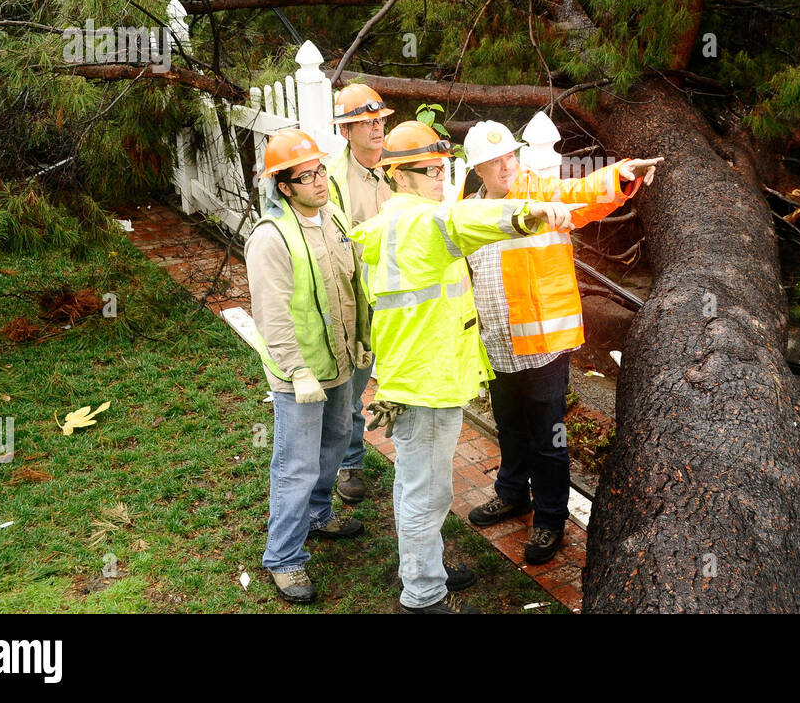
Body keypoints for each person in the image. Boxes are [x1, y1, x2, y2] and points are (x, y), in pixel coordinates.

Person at [350, 121, 583, 613]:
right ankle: (423, 596)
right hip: (426, 384)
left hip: (414, 377)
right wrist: (528, 213)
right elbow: (465, 221)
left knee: (424, 488)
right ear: (398, 176)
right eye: (428, 170)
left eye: (441, 167)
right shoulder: (424, 223)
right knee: (426, 494)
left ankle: (427, 568)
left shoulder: (392, 223)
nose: (440, 176)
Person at [462, 120, 662, 563]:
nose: (505, 166)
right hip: (497, 343)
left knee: (547, 435)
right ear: (477, 168)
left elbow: (583, 195)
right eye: (494, 162)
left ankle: (550, 518)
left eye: (509, 156)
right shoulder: (468, 209)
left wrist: (619, 176)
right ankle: (513, 493)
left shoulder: (540, 192)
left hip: (544, 344)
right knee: (509, 424)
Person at [246, 128, 373, 605]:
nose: (321, 180)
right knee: (295, 464)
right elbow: (272, 313)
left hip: (339, 363)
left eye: (321, 170)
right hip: (298, 373)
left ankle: (318, 516)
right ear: (284, 187)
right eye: (308, 176)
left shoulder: (333, 218)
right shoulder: (271, 239)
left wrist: (361, 341)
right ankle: (284, 558)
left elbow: (351, 285)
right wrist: (296, 372)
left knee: (336, 442)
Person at [323, 83, 395, 505]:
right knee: (352, 386)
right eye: (364, 123)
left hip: (402, 296)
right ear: (346, 132)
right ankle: (350, 461)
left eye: (378, 120)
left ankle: (408, 453)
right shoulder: (334, 179)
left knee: (402, 380)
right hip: (360, 299)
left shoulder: (401, 167)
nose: (375, 129)